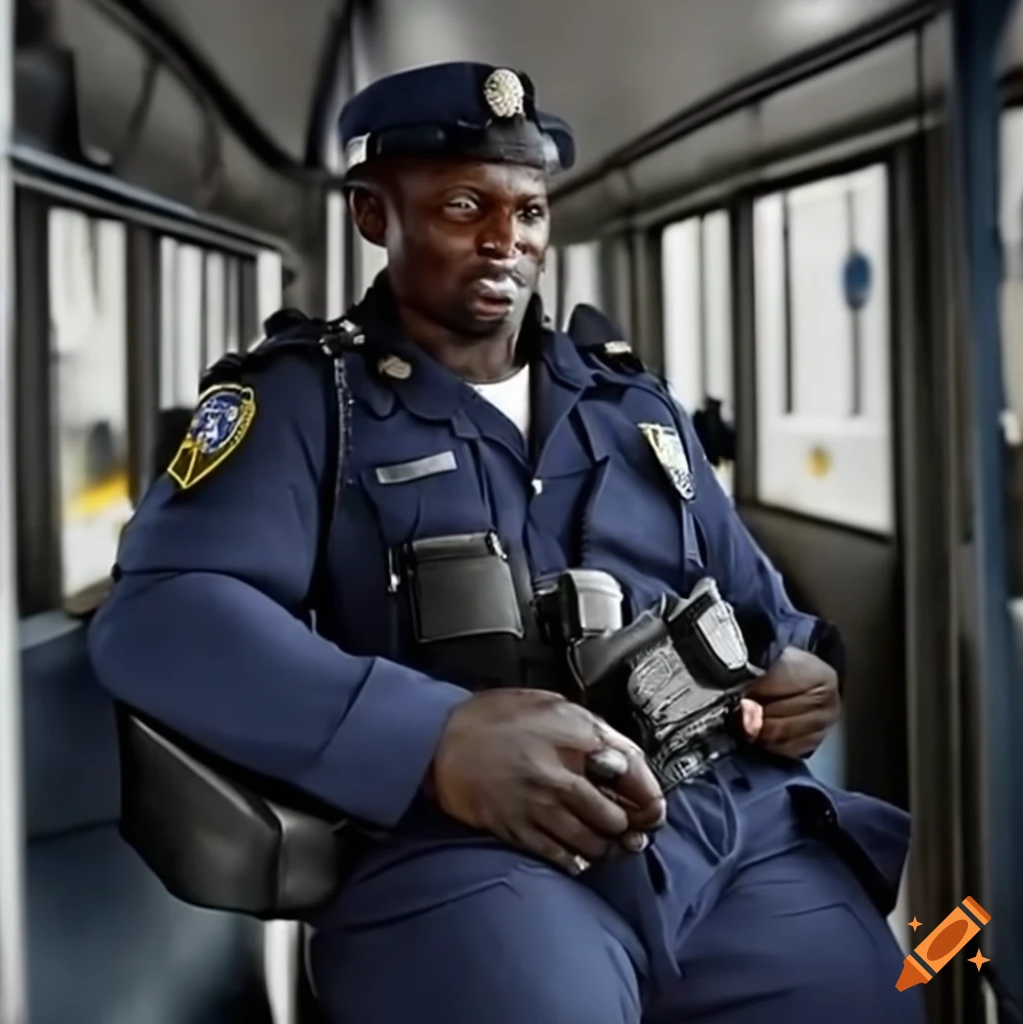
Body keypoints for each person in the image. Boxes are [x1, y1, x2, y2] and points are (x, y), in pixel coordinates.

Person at [88, 62, 923, 1024]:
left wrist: (803, 669)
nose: (506, 242)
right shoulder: (304, 406)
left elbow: (760, 607)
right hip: (468, 851)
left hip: (728, 833)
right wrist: (432, 737)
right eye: (461, 205)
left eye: (529, 212)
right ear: (372, 215)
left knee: (869, 997)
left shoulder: (636, 405)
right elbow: (162, 611)